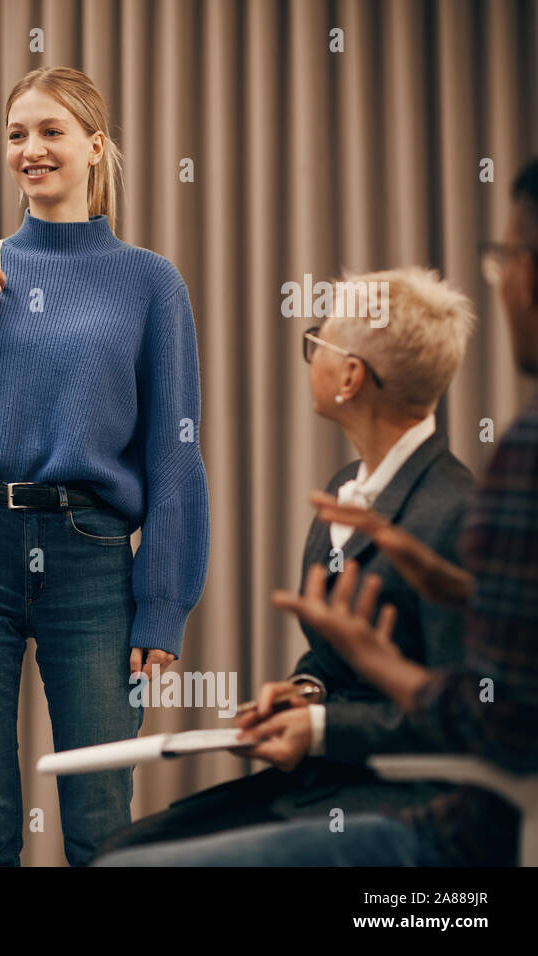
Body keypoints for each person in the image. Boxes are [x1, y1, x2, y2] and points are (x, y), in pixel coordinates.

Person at [97, 158, 538, 867]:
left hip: (405, 794)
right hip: (328, 775)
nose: (310, 357)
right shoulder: (345, 491)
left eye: (318, 344)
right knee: (124, 847)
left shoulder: (453, 514)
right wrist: (304, 690)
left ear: (350, 375)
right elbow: (332, 662)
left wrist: (323, 726)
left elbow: (471, 719)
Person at [0, 67, 209, 865]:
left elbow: (175, 453)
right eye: (17, 133)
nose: (31, 149)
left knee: (102, 819)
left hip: (91, 561)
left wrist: (164, 601)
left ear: (96, 147)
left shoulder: (150, 282)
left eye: (51, 131)